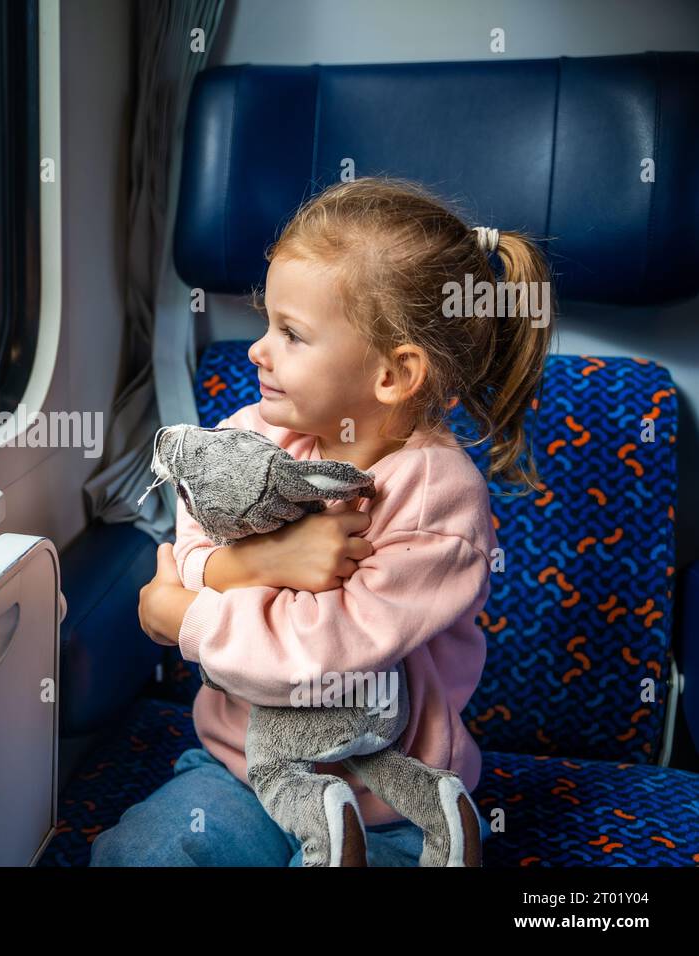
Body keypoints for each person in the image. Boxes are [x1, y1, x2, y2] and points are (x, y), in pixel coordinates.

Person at [94, 177, 555, 865]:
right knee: (141, 855)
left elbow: (320, 658)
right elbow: (192, 534)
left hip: (387, 805)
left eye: (291, 334)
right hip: (243, 773)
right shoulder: (259, 430)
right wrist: (253, 564)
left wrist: (187, 619)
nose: (257, 349)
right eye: (264, 321)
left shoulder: (435, 498)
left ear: (394, 375)